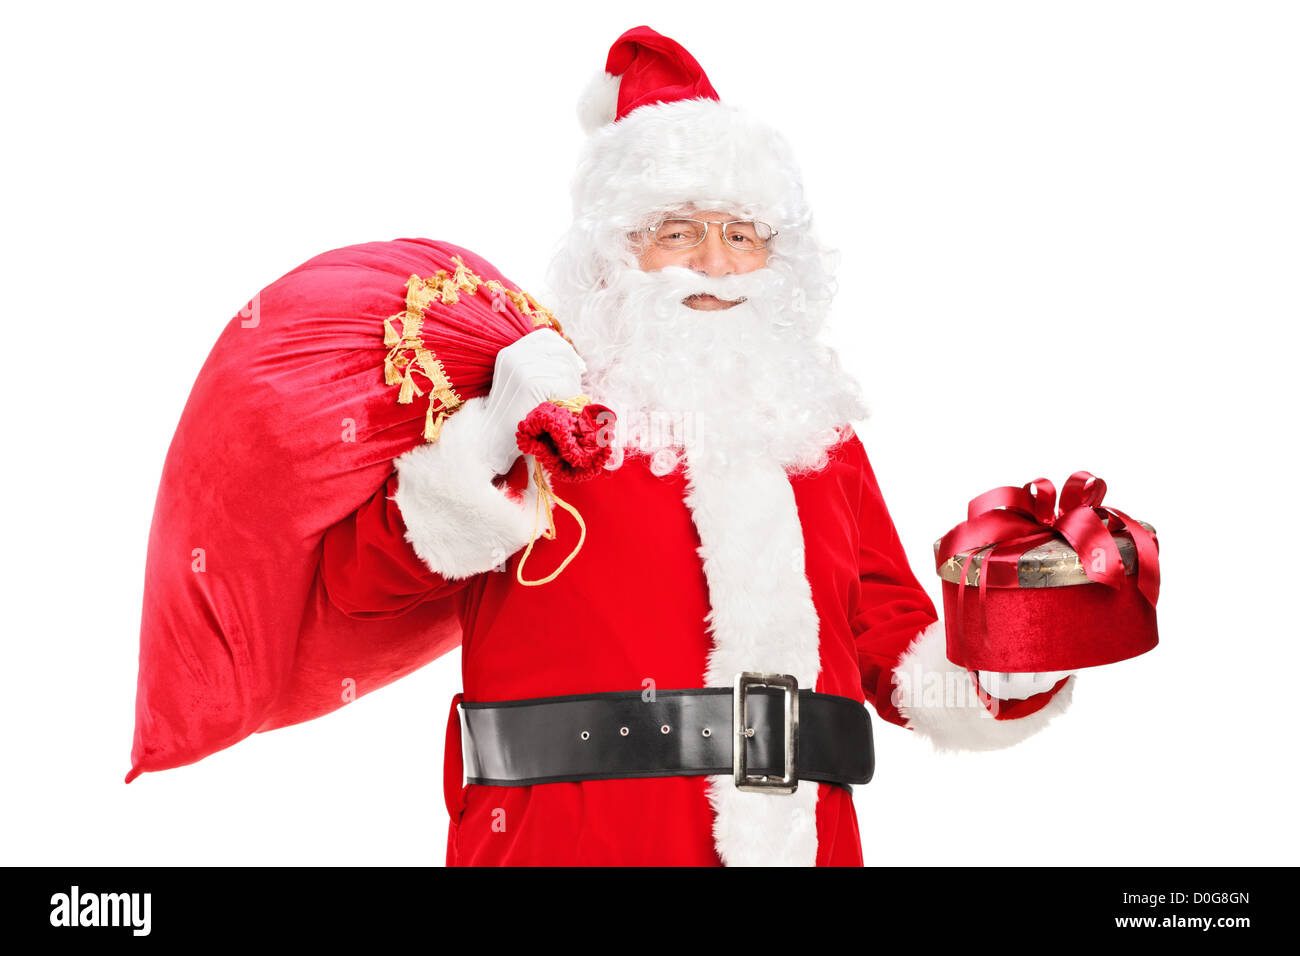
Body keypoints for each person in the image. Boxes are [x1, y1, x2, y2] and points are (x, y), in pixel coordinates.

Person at [318, 26, 1075, 867]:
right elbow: (361, 583)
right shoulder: (535, 408)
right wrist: (489, 439)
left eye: (744, 234)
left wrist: (1013, 655)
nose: (716, 263)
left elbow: (891, 638)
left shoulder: (813, 432)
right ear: (616, 252)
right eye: (678, 231)